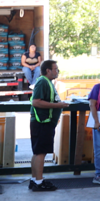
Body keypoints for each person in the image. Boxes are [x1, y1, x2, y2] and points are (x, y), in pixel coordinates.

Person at [29, 60, 69, 192]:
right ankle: (39, 182)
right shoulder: (43, 82)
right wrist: (58, 106)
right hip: (42, 122)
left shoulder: (47, 83)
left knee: (38, 152)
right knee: (40, 152)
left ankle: (35, 179)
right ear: (48, 70)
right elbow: (36, 102)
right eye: (55, 69)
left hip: (44, 122)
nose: (57, 71)